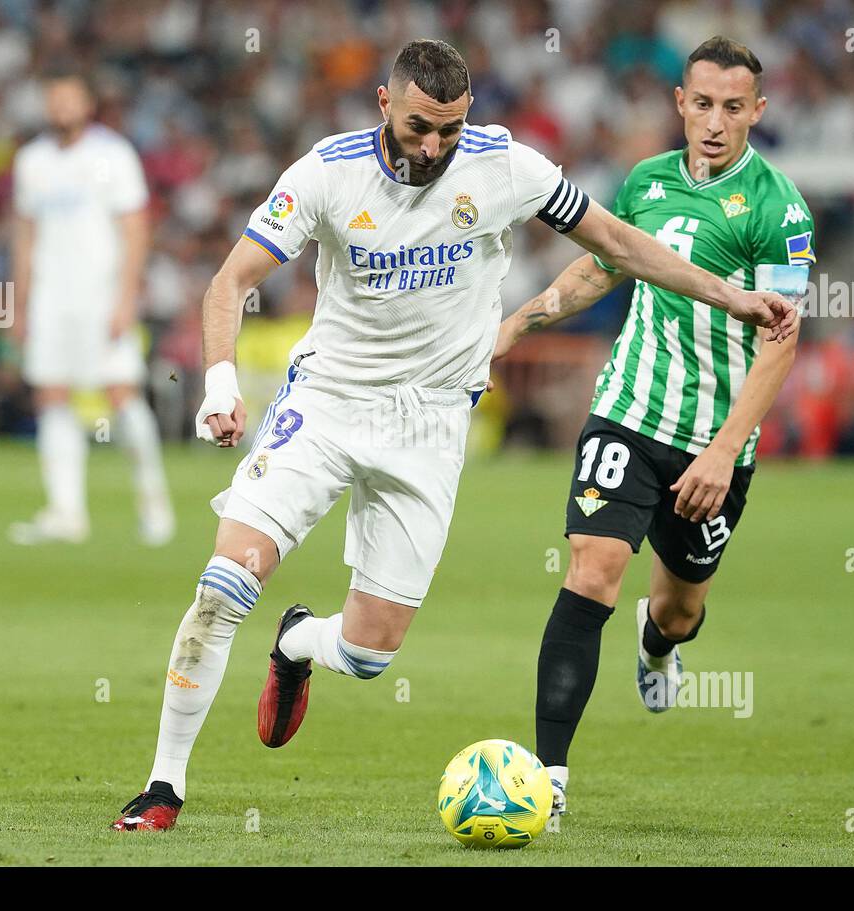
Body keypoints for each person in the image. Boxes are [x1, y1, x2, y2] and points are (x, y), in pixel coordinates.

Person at [111, 38, 795, 832]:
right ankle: (164, 787)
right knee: (226, 583)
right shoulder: (325, 173)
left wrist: (730, 297)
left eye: (449, 128)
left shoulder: (506, 168)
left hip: (433, 426)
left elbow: (618, 244)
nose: (434, 146)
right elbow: (230, 281)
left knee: (370, 655)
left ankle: (299, 643)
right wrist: (220, 384)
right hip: (329, 403)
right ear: (382, 105)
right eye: (417, 128)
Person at [493, 37, 811, 817]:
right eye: (702, 103)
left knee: (681, 609)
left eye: (733, 108)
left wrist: (723, 450)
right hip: (628, 413)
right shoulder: (643, 182)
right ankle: (548, 778)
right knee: (592, 567)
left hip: (715, 443)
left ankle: (657, 643)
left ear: (757, 113)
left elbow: (783, 337)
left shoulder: (780, 209)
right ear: (680, 103)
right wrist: (519, 322)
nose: (714, 121)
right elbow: (600, 266)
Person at [8, 68, 174, 546]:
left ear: (88, 105)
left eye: (69, 99)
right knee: (51, 395)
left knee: (120, 394)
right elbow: (24, 236)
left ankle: (153, 503)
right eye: (53, 99)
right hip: (50, 298)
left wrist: (126, 297)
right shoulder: (31, 161)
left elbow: (135, 229)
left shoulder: (112, 155)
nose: (61, 108)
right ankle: (66, 512)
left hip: (101, 295)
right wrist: (18, 305)